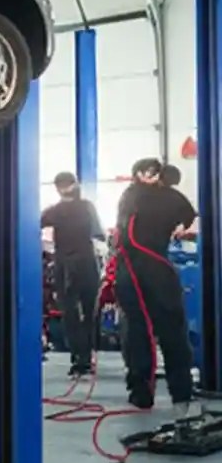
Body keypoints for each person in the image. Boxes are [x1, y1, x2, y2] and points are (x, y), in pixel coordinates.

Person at [113, 158, 199, 418]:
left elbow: (124, 233)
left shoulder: (128, 196)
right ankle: (181, 396)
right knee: (173, 332)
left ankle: (141, 394)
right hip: (159, 271)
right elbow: (191, 219)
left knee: (135, 331)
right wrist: (179, 230)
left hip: (128, 272)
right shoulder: (172, 197)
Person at [40, 172, 105, 377]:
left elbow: (32, 224)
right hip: (83, 264)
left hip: (67, 265)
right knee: (86, 311)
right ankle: (84, 355)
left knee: (72, 313)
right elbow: (99, 234)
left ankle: (80, 356)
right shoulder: (85, 208)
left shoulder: (54, 211)